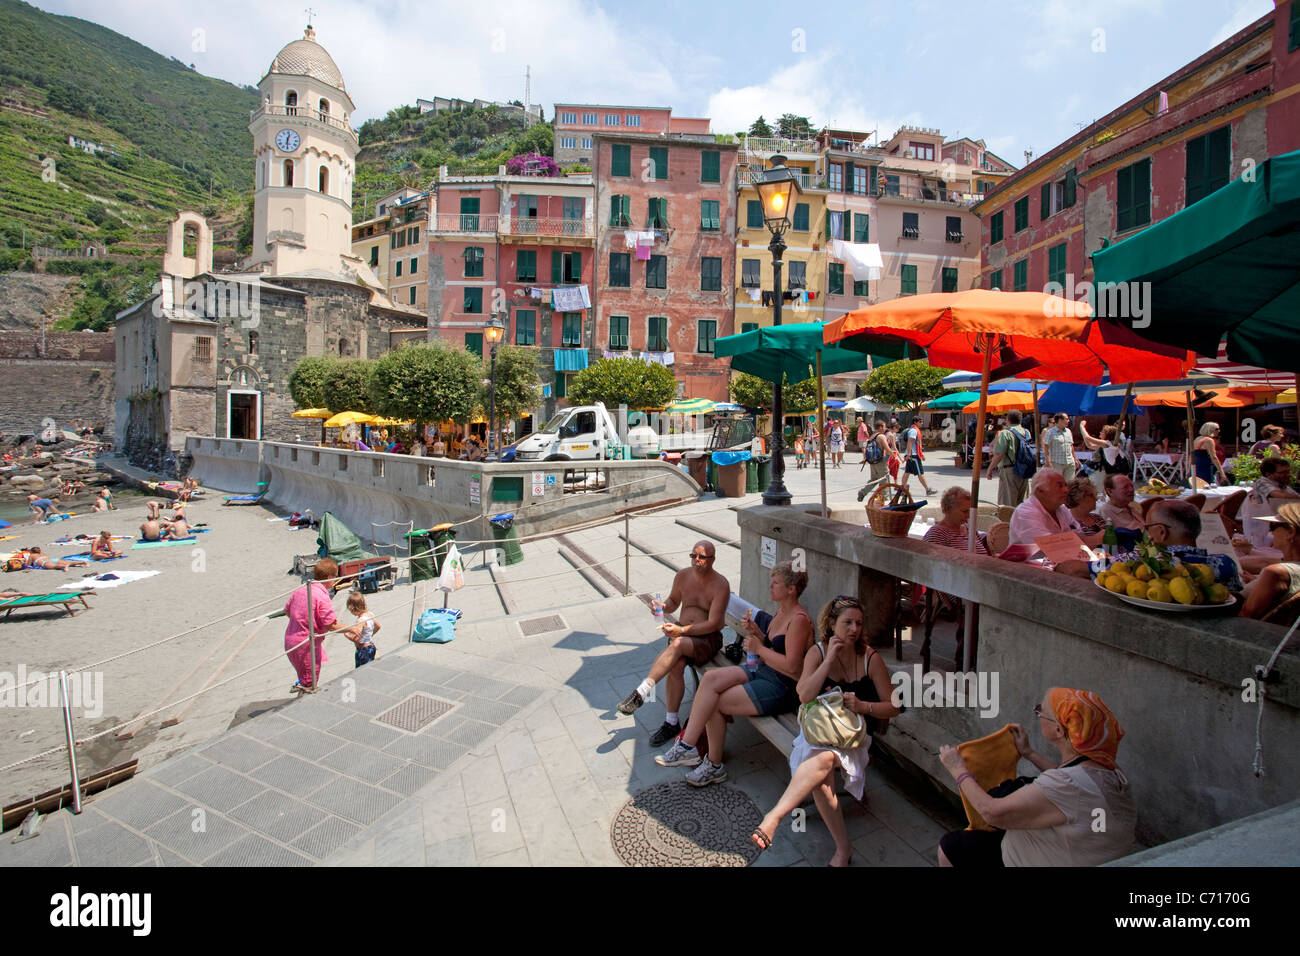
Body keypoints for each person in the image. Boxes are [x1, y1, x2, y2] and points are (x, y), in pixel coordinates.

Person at [749, 596, 900, 866]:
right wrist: (828, 659)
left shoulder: (870, 658)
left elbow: (894, 706)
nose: (854, 629)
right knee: (824, 763)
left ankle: (776, 817)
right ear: (831, 624)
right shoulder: (818, 653)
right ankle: (842, 850)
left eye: (859, 623)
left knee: (823, 761)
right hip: (819, 729)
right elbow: (804, 694)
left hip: (854, 736)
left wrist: (863, 705)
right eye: (847, 623)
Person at [936, 687, 1136, 866]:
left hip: (1051, 859)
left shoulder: (1065, 786)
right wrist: (1029, 753)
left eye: (1041, 711)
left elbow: (992, 813)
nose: (1038, 714)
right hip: (1088, 853)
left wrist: (958, 770)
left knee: (951, 846)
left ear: (1059, 730)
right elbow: (1068, 779)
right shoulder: (1106, 768)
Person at [653, 562, 813, 786]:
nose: (770, 586)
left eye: (776, 583)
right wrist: (759, 635)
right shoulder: (781, 611)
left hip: (782, 685)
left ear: (791, 589)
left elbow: (794, 668)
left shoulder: (799, 620)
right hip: (763, 669)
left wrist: (760, 649)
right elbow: (775, 646)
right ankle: (689, 745)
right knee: (710, 679)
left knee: (715, 702)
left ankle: (713, 764)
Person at [616, 541, 730, 746]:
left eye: (702, 557)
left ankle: (642, 691)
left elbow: (714, 623)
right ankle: (671, 722)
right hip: (683, 634)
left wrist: (681, 631)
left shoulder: (720, 584)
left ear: (712, 559)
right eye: (694, 555)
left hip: (707, 639)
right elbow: (673, 602)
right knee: (675, 666)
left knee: (676, 645)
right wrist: (661, 606)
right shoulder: (682, 576)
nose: (697, 560)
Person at [1145, 499, 1242, 590]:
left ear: (1162, 532)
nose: (1147, 533)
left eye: (1147, 528)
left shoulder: (1150, 567)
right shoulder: (1225, 564)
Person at [1009, 469, 1104, 558]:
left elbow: (1078, 536)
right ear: (1040, 491)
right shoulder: (1025, 513)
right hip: (1027, 569)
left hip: (1058, 564)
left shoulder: (1061, 509)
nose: (1066, 490)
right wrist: (1095, 539)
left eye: (1065, 485)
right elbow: (1052, 547)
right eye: (1060, 486)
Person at [284, 557, 339, 693]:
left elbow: (287, 611)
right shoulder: (322, 596)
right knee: (310, 683)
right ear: (328, 577)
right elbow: (330, 624)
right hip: (306, 645)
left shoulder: (300, 590)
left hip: (291, 641)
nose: (335, 580)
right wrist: (353, 628)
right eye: (334, 577)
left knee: (304, 678)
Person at [1240, 503, 1300, 620]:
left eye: (1273, 526)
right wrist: (1258, 582)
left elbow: (1246, 615)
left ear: (1291, 532)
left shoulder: (1275, 573)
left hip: (1254, 634)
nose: (1271, 533)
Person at [1240, 457, 1300, 548]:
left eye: (1288, 472)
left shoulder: (1282, 485)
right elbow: (1278, 495)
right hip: (1261, 526)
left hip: (1277, 522)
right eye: (1282, 473)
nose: (1288, 475)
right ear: (1268, 474)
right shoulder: (1262, 482)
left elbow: (1295, 498)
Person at [986, 409, 1032, 509]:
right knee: (1021, 503)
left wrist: (990, 469)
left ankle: (1008, 524)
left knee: (1007, 505)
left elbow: (999, 454)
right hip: (1024, 470)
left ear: (1007, 420)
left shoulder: (1005, 433)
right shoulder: (1026, 432)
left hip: (1009, 470)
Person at [923, 487, 990, 554]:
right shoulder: (937, 534)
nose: (968, 516)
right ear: (948, 509)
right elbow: (932, 561)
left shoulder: (969, 529)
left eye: (969, 511)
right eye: (964, 511)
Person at [338, 589, 380, 667]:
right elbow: (378, 626)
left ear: (353, 608)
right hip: (371, 646)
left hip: (363, 649)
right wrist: (368, 636)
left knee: (361, 671)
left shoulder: (360, 620)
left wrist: (346, 634)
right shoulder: (370, 614)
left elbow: (356, 638)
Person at [1040, 413, 1078, 482]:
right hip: (1056, 463)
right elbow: (1046, 447)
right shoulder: (1050, 432)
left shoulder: (1068, 431)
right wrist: (1048, 461)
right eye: (1066, 419)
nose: (1068, 421)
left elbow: (1071, 446)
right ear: (1060, 420)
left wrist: (1074, 459)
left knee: (1070, 485)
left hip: (1069, 462)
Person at [901, 418, 934, 495]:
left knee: (907, 472)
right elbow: (910, 441)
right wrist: (909, 454)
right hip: (913, 455)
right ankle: (927, 489)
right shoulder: (913, 431)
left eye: (922, 421)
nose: (922, 423)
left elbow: (916, 444)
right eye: (920, 422)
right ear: (915, 422)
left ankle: (902, 489)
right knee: (920, 473)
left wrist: (921, 454)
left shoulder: (914, 430)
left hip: (913, 454)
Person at [21, 547, 88, 570]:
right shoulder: (42, 553)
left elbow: (28, 565)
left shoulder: (32, 555)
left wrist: (25, 562)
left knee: (55, 566)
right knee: (69, 562)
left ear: (32, 552)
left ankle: (64, 567)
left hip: (45, 563)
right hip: (52, 559)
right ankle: (83, 562)